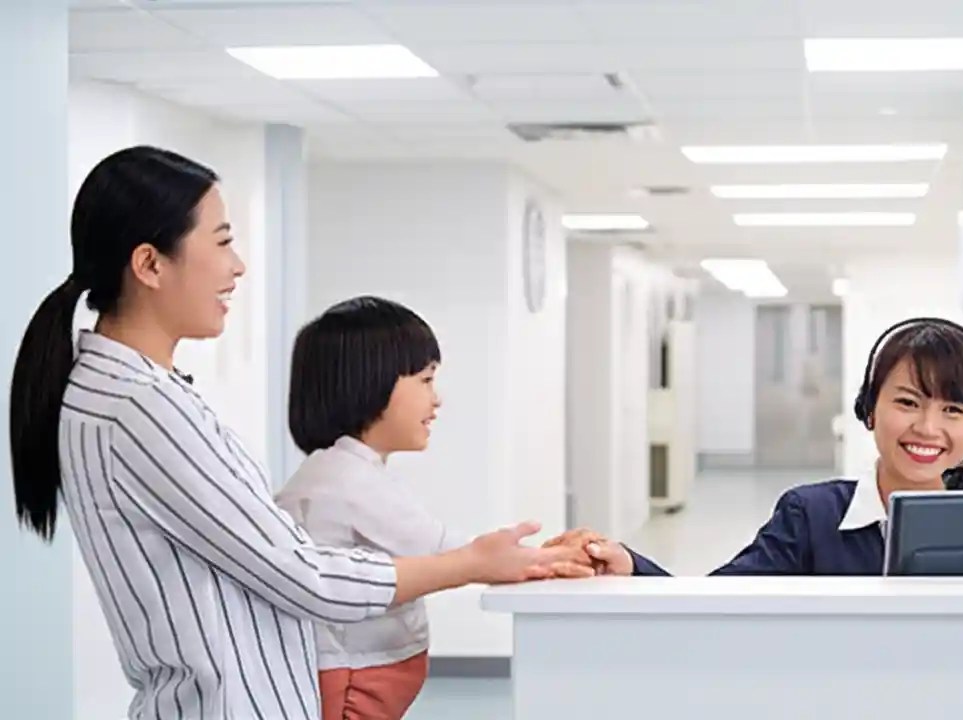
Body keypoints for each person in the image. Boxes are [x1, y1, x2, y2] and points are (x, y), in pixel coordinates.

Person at [7, 146, 589, 720]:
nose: (238, 266)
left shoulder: (114, 392)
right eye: (223, 241)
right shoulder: (138, 409)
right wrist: (472, 564)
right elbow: (305, 574)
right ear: (150, 264)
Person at [548, 317, 963, 576]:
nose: (927, 427)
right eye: (907, 402)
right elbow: (717, 605)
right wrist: (631, 565)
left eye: (953, 410)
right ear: (869, 410)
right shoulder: (811, 516)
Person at [275, 296, 467, 720]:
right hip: (351, 683)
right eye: (425, 380)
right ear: (370, 384)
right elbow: (447, 551)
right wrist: (541, 559)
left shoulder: (351, 470)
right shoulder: (344, 479)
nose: (437, 401)